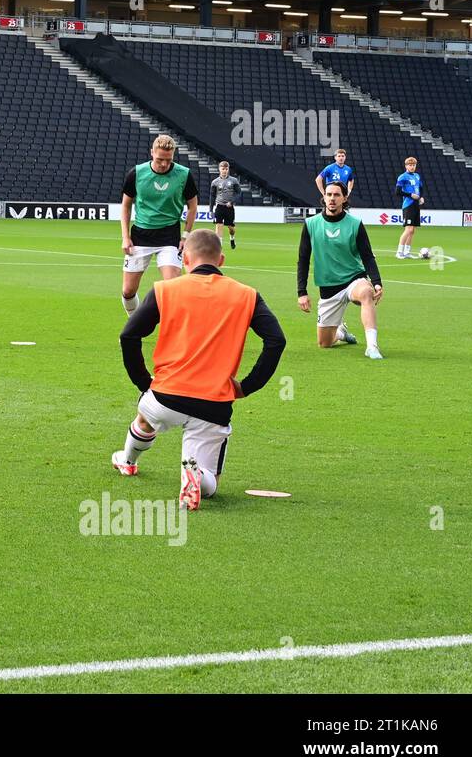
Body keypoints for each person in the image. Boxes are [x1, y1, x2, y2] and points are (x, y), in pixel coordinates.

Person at [113, 229, 286, 511]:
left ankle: (128, 460)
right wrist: (247, 385)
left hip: (165, 397)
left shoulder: (164, 290)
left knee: (145, 416)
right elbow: (276, 341)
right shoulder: (247, 295)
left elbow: (129, 336)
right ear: (221, 259)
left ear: (185, 259)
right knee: (211, 483)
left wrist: (144, 382)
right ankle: (195, 475)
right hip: (213, 404)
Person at [296, 182, 384, 359]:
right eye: (329, 195)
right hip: (329, 287)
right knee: (324, 343)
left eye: (336, 195)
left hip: (354, 279)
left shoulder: (355, 224)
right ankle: (340, 333)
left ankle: (372, 346)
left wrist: (376, 282)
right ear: (324, 197)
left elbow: (367, 256)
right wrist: (302, 292)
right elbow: (303, 259)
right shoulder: (311, 224)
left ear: (344, 198)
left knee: (366, 293)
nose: (332, 199)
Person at [120, 134, 198, 314]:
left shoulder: (184, 174)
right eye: (160, 159)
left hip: (169, 236)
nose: (164, 164)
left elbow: (192, 207)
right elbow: (125, 206)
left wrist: (185, 236)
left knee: (172, 289)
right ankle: (135, 324)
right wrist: (125, 237)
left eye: (168, 160)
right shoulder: (137, 173)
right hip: (140, 235)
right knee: (128, 291)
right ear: (151, 153)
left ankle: (171, 331)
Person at [395, 156, 425, 259]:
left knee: (412, 230)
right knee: (408, 229)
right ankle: (399, 252)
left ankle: (407, 252)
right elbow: (398, 192)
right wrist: (410, 195)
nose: (412, 167)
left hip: (416, 204)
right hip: (408, 205)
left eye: (413, 165)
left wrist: (421, 197)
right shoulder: (402, 177)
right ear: (406, 166)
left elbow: (420, 188)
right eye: (410, 165)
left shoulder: (417, 176)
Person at [209, 161, 240, 250]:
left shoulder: (233, 180)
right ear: (219, 169)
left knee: (231, 228)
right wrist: (211, 210)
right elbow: (212, 196)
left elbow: (238, 193)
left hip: (229, 207)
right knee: (219, 225)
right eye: (223, 169)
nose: (224, 171)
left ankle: (232, 238)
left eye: (226, 169)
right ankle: (219, 246)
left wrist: (232, 201)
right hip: (219, 206)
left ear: (228, 169)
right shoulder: (215, 182)